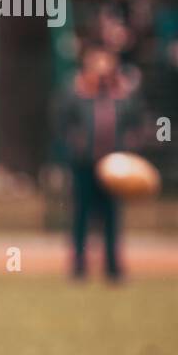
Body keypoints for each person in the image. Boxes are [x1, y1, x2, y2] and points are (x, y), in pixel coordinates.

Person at [53, 45, 146, 281]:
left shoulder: (124, 94)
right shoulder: (75, 93)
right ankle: (79, 265)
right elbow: (61, 123)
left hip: (116, 165)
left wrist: (129, 144)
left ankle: (113, 267)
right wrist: (75, 143)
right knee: (81, 214)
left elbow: (137, 123)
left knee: (112, 215)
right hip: (84, 163)